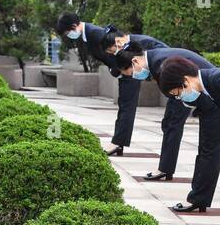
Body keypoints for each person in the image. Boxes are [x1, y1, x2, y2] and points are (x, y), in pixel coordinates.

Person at [111, 44, 220, 211]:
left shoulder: (162, 65)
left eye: (131, 73)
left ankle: (198, 199)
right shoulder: (155, 61)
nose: (135, 77)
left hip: (217, 100)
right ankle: (187, 187)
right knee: (180, 130)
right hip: (210, 99)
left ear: (135, 61)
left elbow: (181, 95)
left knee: (209, 150)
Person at [54, 13, 166, 156]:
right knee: (125, 104)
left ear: (74, 26)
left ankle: (118, 143)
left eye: (68, 33)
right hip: (127, 65)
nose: (68, 36)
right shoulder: (87, 35)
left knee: (126, 104)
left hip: (136, 60)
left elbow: (117, 51)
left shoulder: (95, 33)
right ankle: (118, 142)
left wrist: (119, 69)